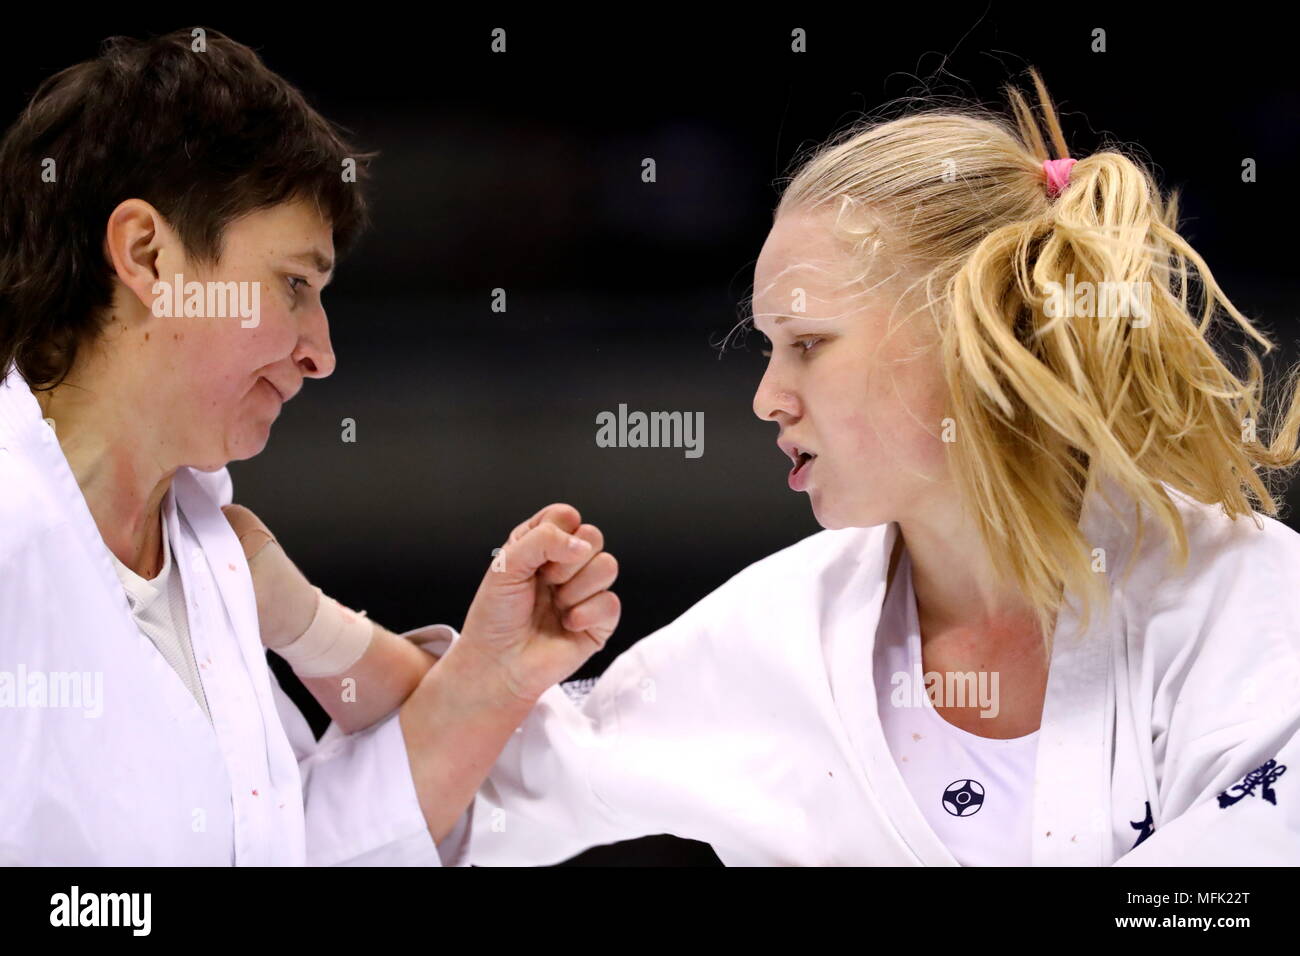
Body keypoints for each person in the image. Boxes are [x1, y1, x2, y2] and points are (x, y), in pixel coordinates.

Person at [241, 68, 1300, 866]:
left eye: (807, 342)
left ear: (965, 340)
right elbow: (453, 794)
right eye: (764, 347)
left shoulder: (1242, 596)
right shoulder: (776, 640)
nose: (766, 396)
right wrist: (304, 618)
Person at [0, 28, 620, 865]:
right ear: (148, 254)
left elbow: (302, 842)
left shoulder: (213, 554)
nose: (321, 353)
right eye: (294, 284)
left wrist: (487, 672)